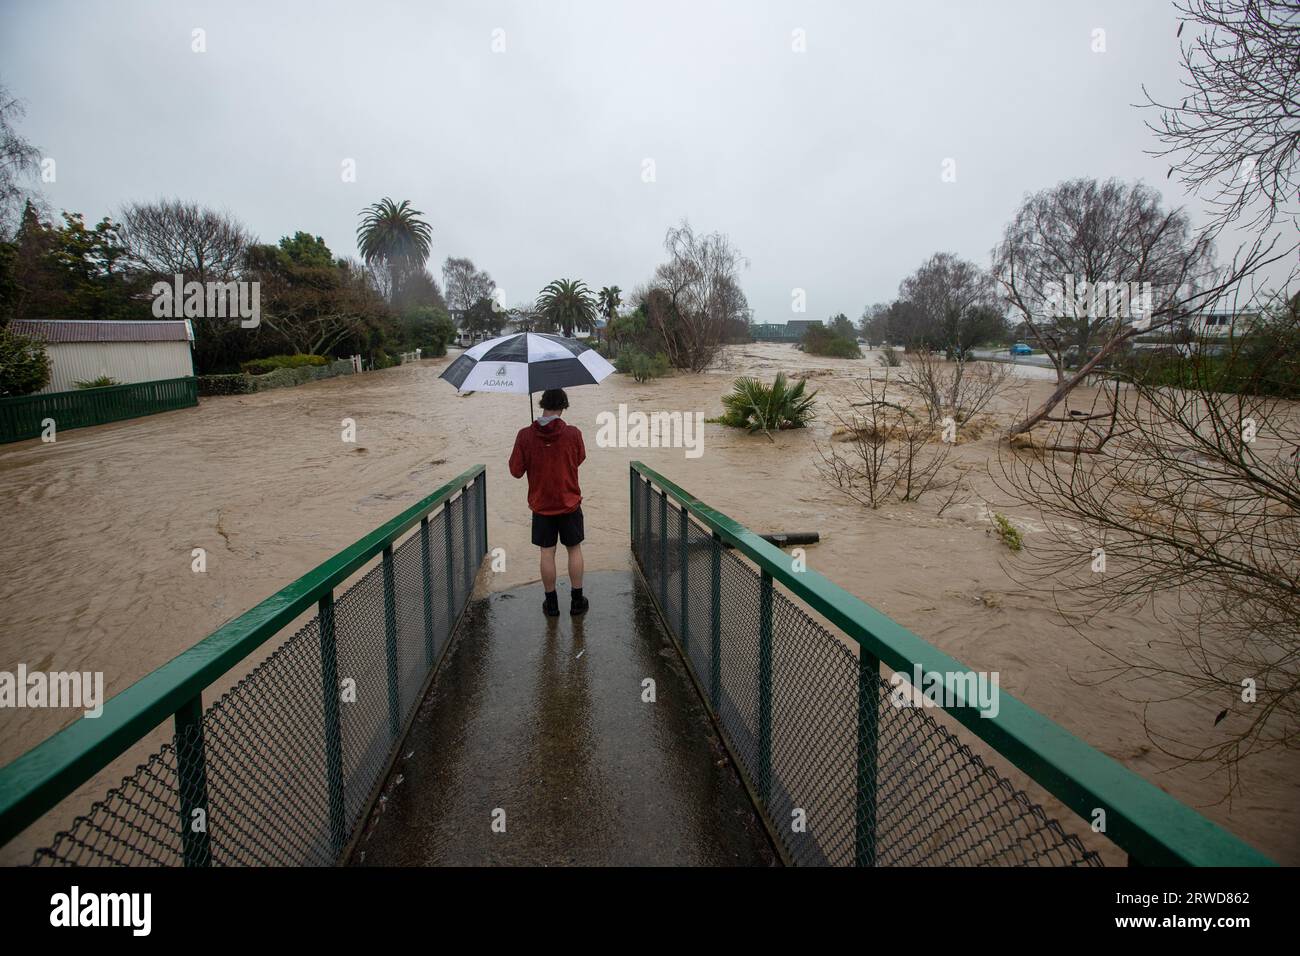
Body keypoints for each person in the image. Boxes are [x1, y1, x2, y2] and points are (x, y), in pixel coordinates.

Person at [508, 388, 588, 617]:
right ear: (564, 407)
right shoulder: (573, 433)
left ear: (542, 404)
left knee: (546, 552)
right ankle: (576, 601)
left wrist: (530, 447)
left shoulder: (525, 435)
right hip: (569, 503)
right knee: (574, 550)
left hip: (541, 506)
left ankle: (551, 604)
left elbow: (515, 471)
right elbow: (579, 458)